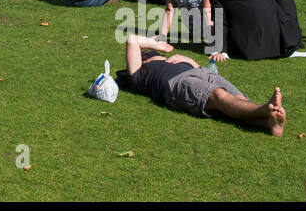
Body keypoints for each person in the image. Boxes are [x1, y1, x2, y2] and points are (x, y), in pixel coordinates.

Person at [121, 33, 285, 136]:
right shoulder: (137, 75)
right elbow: (131, 39)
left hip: (202, 71)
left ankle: (268, 123)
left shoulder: (162, 60)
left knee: (238, 98)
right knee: (219, 96)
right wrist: (155, 45)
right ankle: (264, 109)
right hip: (178, 84)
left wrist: (191, 62)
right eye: (147, 51)